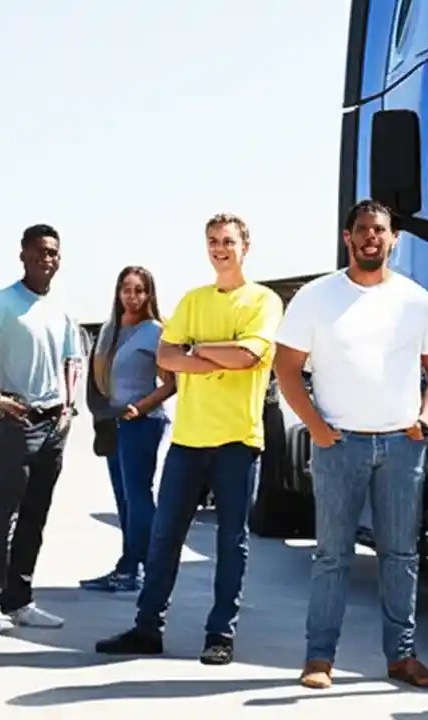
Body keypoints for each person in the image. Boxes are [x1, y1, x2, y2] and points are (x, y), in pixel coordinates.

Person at [274, 199, 428, 690]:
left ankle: (402, 657)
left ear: (394, 239)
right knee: (332, 555)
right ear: (348, 238)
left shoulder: (417, 301)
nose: (371, 237)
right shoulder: (315, 297)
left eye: (380, 230)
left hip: (402, 445)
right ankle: (319, 660)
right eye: (363, 230)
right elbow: (286, 370)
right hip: (338, 447)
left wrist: (425, 420)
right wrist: (317, 427)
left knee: (401, 556)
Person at [95, 213, 283, 665]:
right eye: (213, 241)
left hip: (237, 441)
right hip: (188, 440)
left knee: (230, 542)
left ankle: (220, 634)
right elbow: (165, 355)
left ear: (246, 246)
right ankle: (146, 628)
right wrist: (213, 353)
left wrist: (195, 352)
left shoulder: (263, 300)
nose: (220, 249)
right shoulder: (192, 301)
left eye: (229, 241)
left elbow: (249, 355)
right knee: (164, 538)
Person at [0, 223, 84, 633]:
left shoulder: (60, 307)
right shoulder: (3, 303)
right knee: (3, 513)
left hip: (54, 423)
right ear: (23, 255)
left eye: (54, 252)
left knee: (35, 515)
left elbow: (72, 359)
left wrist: (69, 406)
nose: (48, 259)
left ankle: (19, 600)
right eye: (41, 251)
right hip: (17, 423)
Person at [80, 266, 176, 593]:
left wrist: (143, 407)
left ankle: (148, 570)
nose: (132, 297)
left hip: (142, 424)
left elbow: (171, 382)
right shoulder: (109, 329)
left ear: (149, 295)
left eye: (139, 290)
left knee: (138, 498)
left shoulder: (155, 332)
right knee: (123, 499)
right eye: (126, 289)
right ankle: (127, 566)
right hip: (112, 423)